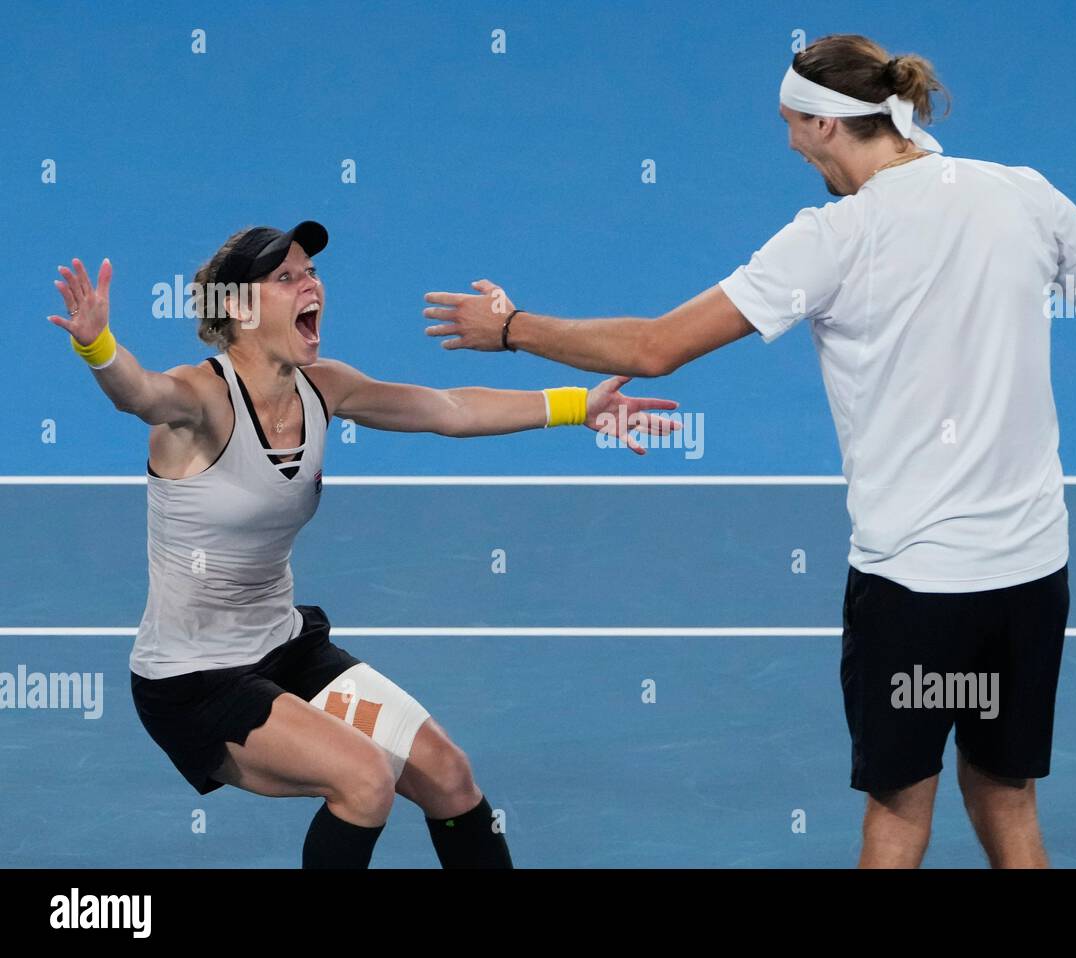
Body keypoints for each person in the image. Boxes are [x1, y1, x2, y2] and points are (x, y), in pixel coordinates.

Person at [420, 34, 1076, 868]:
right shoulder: (1022, 196)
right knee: (1008, 797)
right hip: (1030, 577)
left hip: (914, 588)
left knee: (898, 818)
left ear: (825, 126)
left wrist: (513, 329)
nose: (784, 140)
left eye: (789, 123)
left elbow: (653, 347)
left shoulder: (831, 239)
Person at [48, 221, 678, 868]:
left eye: (311, 272)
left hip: (284, 647)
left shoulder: (324, 386)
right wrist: (98, 346)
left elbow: (447, 408)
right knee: (364, 780)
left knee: (448, 776)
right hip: (194, 682)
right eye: (286, 277)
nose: (310, 284)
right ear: (235, 308)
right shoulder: (201, 401)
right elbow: (140, 393)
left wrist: (580, 405)